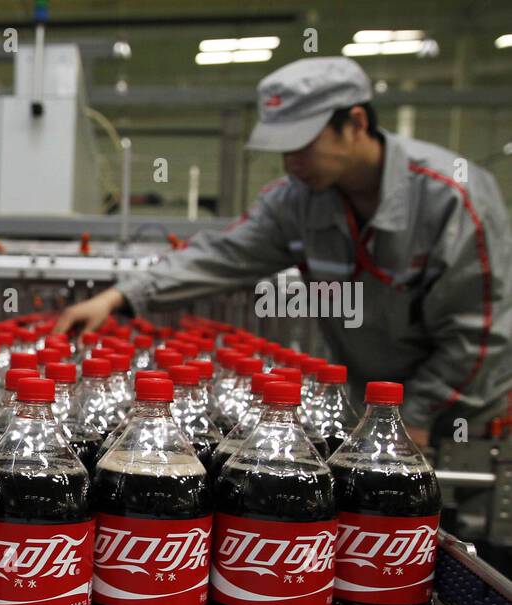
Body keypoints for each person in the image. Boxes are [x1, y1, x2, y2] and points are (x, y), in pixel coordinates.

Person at [55, 57, 512, 447]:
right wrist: (120, 297)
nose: (290, 162)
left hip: (462, 421)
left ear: (354, 123)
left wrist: (415, 419)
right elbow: (223, 255)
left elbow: (479, 336)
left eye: (302, 144)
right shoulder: (297, 200)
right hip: (377, 414)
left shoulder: (452, 199)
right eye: (281, 149)